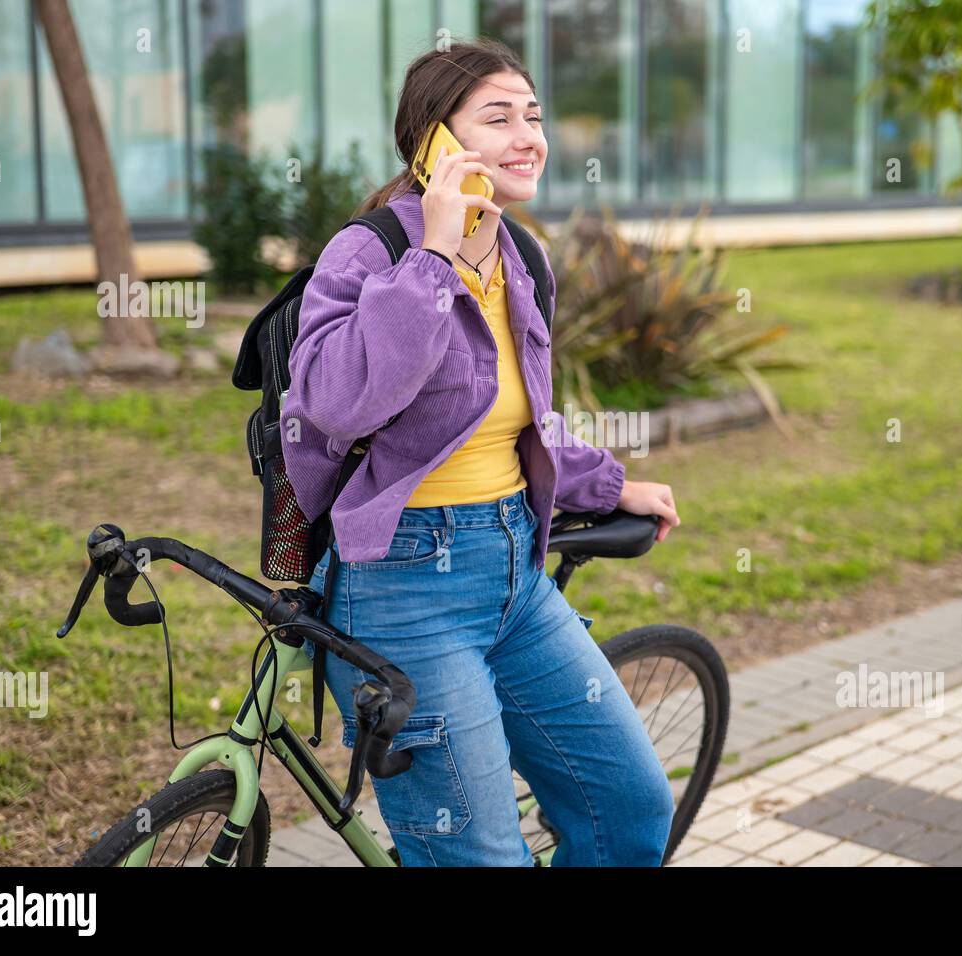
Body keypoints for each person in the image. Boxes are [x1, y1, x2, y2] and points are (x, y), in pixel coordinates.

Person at [282, 38, 680, 866]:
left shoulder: (521, 254)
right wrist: (434, 257)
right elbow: (333, 401)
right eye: (497, 117)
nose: (528, 135)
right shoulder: (373, 252)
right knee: (482, 857)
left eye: (532, 115)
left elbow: (511, 421)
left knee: (633, 808)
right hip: (400, 587)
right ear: (434, 143)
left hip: (513, 573)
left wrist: (611, 483)